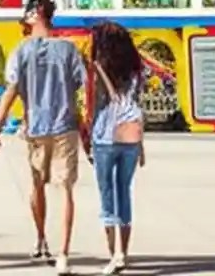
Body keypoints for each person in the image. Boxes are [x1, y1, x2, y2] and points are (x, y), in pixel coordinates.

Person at [0, 0, 87, 275]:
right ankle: (62, 255)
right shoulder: (69, 50)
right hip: (64, 126)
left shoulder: (20, 51)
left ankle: (42, 238)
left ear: (39, 12)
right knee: (65, 189)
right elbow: (80, 85)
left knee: (38, 186)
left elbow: (11, 90)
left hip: (36, 128)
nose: (27, 17)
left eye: (29, 12)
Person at [88, 22, 147, 274]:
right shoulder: (136, 71)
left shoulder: (99, 68)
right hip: (132, 136)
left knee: (107, 195)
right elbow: (135, 105)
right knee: (124, 191)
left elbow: (95, 105)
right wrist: (142, 146)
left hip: (105, 136)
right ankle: (124, 252)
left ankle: (116, 254)